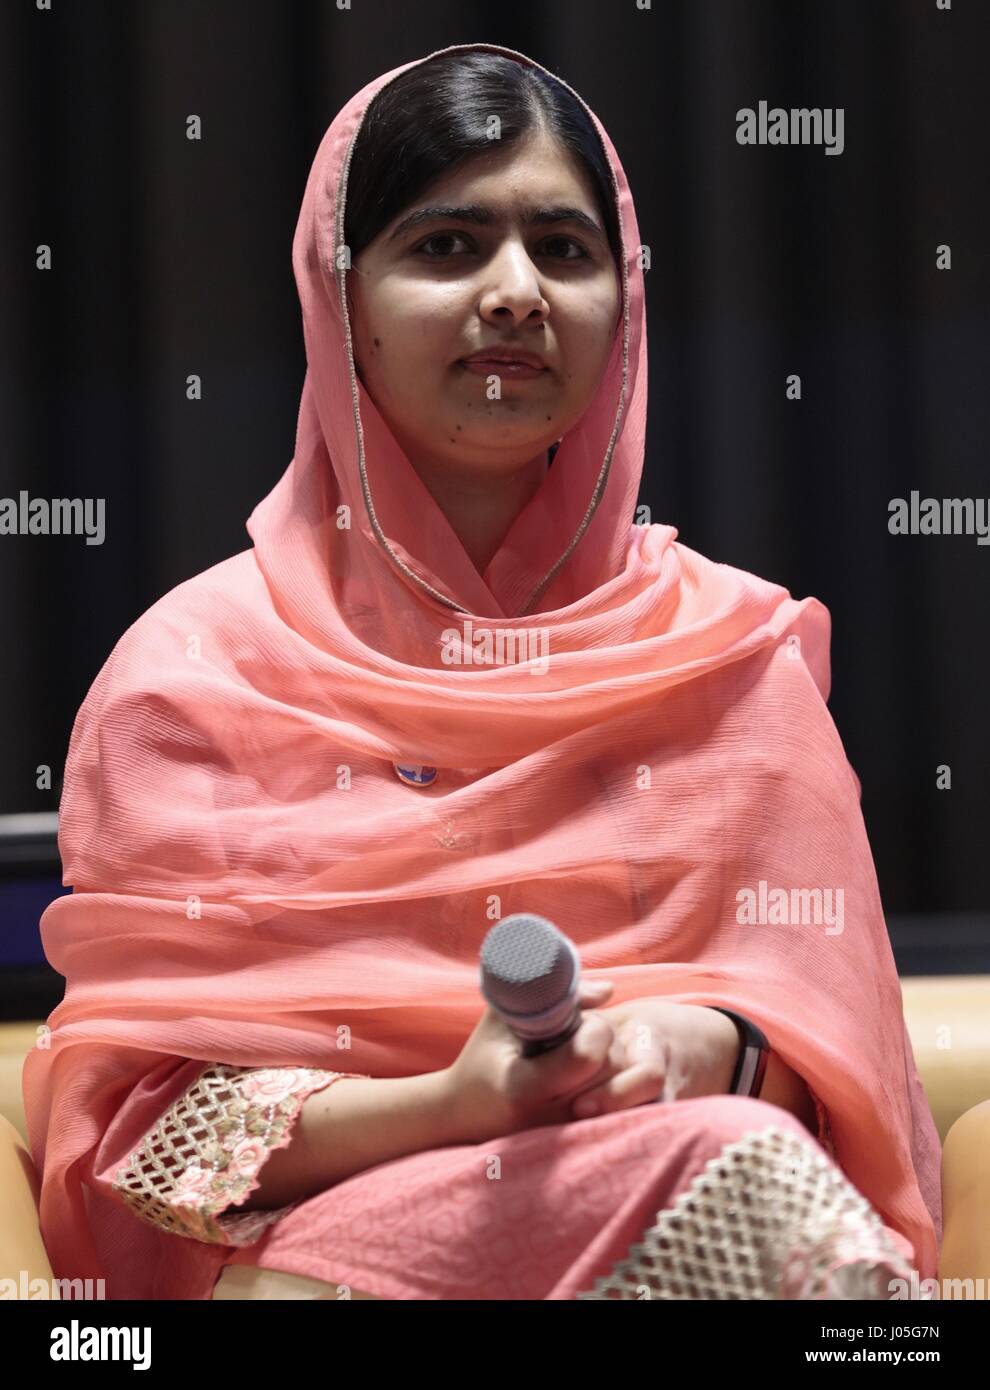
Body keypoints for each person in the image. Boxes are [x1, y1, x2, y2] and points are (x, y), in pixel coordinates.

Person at [22, 42, 941, 1302]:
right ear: (337, 298)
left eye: (565, 250)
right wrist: (454, 1105)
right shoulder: (196, 677)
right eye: (448, 247)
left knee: (741, 1147)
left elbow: (837, 1055)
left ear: (627, 300)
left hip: (697, 1187)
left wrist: (712, 1046)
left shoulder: (728, 655)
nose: (517, 293)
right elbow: (151, 1135)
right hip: (312, 1256)